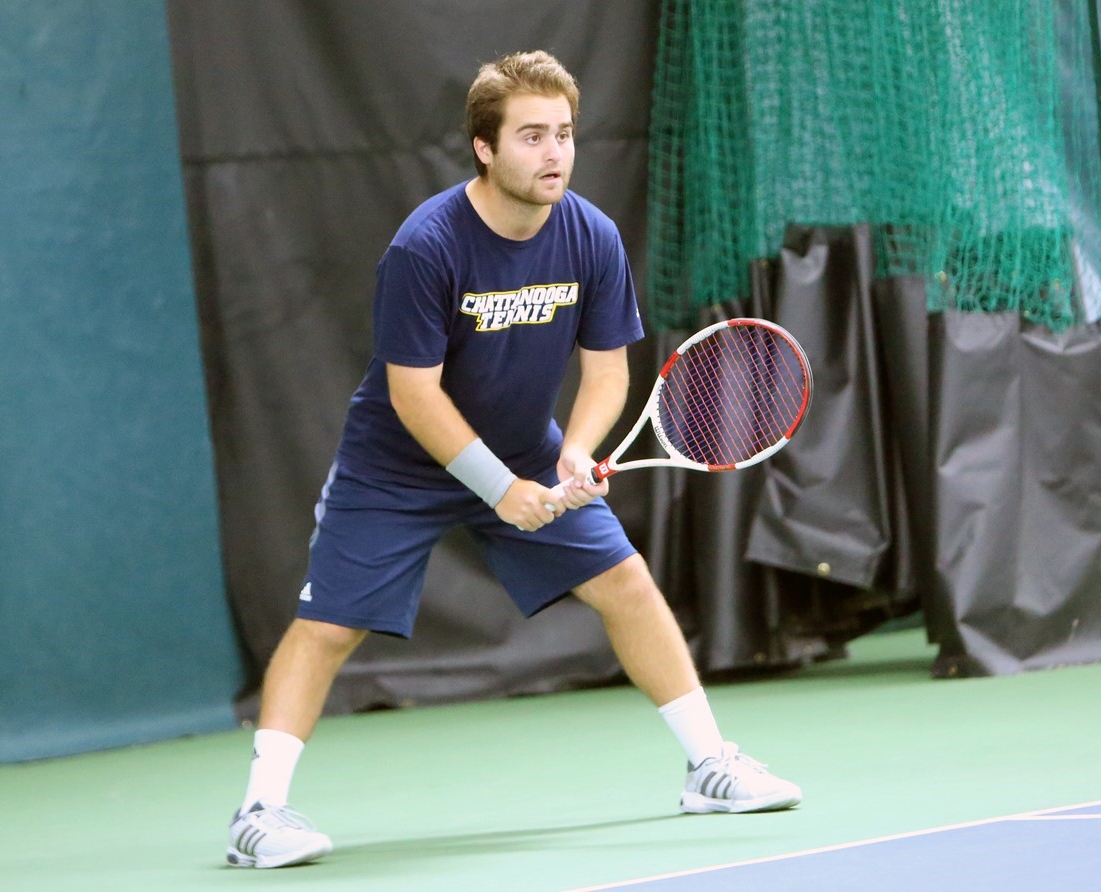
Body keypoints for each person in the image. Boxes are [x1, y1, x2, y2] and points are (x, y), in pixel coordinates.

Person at [225, 49, 801, 870]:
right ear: (485, 149)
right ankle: (258, 812)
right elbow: (413, 394)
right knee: (328, 627)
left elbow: (608, 372)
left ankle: (709, 764)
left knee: (627, 583)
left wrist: (573, 453)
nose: (554, 153)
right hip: (397, 463)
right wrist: (499, 489)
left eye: (564, 134)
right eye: (531, 136)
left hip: (527, 445)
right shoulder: (427, 246)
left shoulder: (590, 235)